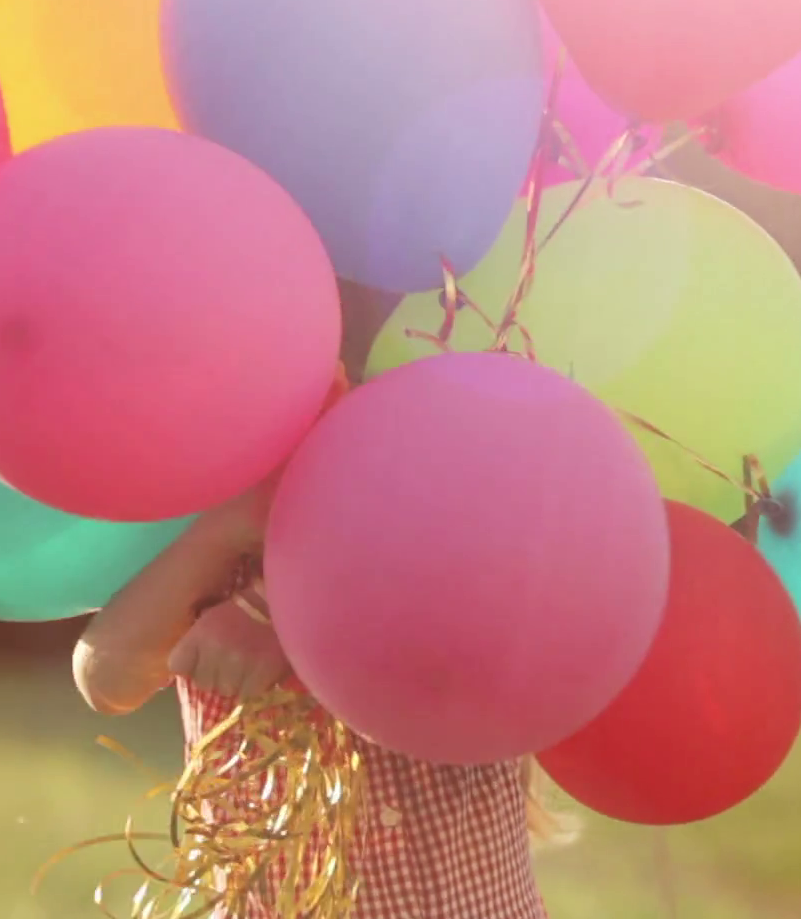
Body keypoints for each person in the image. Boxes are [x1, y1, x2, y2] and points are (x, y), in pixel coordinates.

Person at [71, 287, 571, 919]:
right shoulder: (208, 522)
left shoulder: (449, 500)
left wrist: (280, 605)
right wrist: (229, 528)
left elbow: (471, 631)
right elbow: (106, 678)